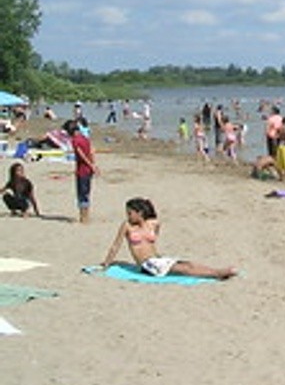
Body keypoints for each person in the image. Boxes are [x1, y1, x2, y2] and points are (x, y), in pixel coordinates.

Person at [100, 197, 236, 280]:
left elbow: (153, 240)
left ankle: (215, 270)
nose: (128, 216)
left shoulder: (153, 223)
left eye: (130, 213)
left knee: (187, 264)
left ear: (139, 213)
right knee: (183, 269)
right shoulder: (127, 226)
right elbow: (115, 246)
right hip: (147, 265)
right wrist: (107, 263)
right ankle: (217, 273)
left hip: (157, 260)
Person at [66, 119, 97, 223]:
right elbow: (92, 151)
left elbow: (81, 154)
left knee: (81, 194)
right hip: (88, 169)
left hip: (82, 170)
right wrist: (93, 164)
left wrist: (90, 164)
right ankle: (86, 215)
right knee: (87, 193)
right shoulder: (85, 138)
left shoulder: (75, 140)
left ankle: (83, 217)